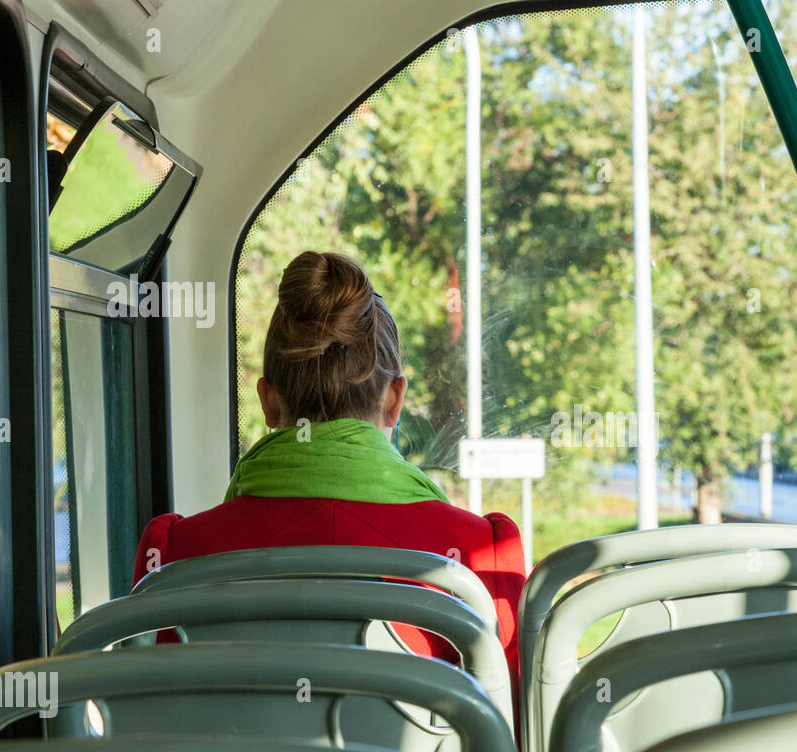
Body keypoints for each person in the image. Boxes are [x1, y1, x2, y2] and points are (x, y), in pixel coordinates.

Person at [132, 251, 525, 686]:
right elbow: (513, 736)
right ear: (394, 399)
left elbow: (149, 724)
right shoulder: (479, 556)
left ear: (268, 400)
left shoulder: (174, 556)